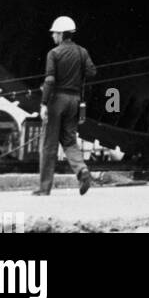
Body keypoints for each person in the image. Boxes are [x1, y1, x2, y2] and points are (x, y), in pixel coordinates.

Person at [33, 15, 97, 197]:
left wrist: (44, 103)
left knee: (48, 145)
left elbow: (50, 79)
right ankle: (82, 170)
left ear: (61, 34)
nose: (53, 37)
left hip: (56, 101)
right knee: (69, 141)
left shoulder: (53, 53)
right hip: (74, 101)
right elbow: (92, 72)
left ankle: (44, 188)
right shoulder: (82, 52)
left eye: (54, 34)